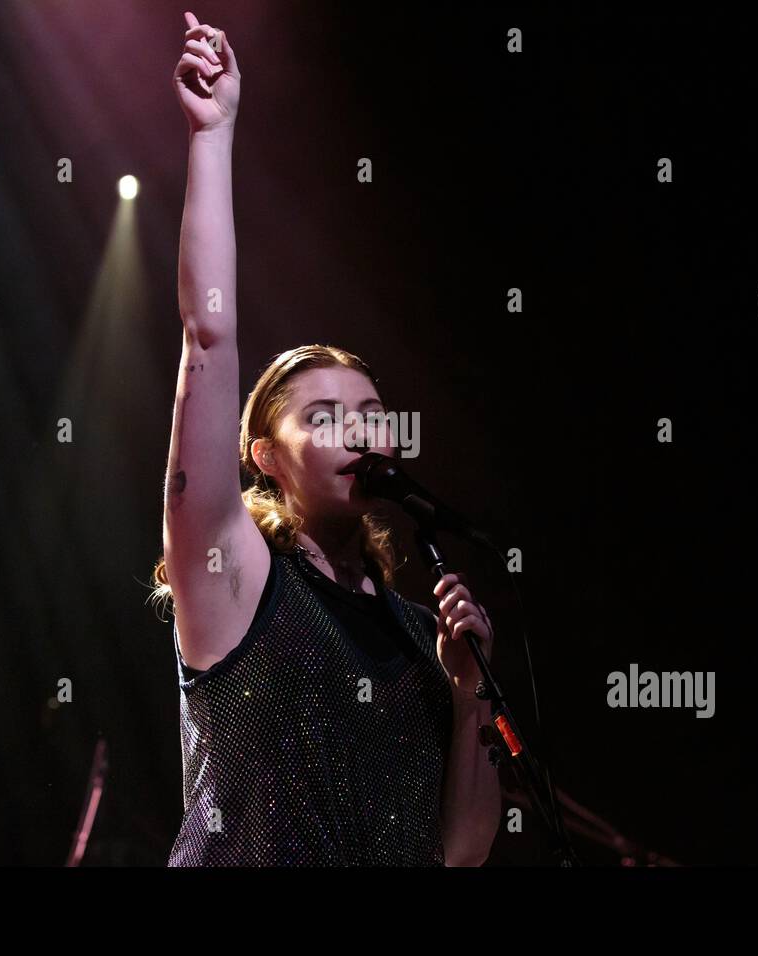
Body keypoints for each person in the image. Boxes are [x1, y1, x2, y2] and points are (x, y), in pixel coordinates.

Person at [154, 11, 501, 866]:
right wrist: (215, 135)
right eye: (323, 417)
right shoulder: (233, 579)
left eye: (371, 414)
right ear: (263, 458)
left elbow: (461, 853)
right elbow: (209, 334)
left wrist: (468, 697)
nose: (360, 432)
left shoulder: (423, 634)